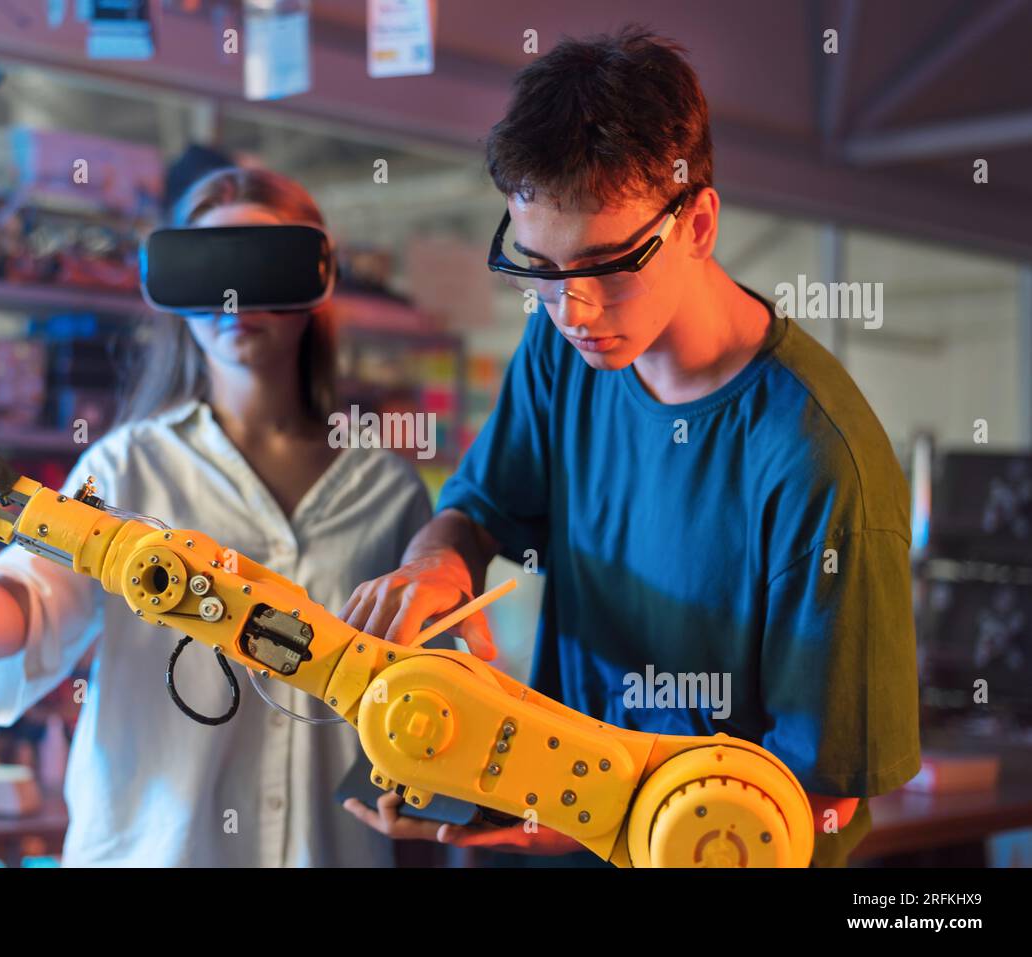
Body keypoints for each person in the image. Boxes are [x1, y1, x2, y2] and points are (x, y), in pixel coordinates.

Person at [340, 29, 921, 868]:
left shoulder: (821, 465)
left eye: (608, 265)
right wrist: (439, 564)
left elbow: (824, 798)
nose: (572, 308)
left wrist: (596, 821)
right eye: (537, 266)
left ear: (698, 225)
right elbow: (479, 506)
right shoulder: (562, 352)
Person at [0, 166, 434, 867]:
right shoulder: (124, 469)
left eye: (261, 267)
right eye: (207, 270)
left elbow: (417, 696)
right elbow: (28, 611)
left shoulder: (389, 491)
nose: (233, 299)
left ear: (315, 283)